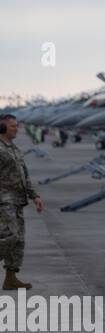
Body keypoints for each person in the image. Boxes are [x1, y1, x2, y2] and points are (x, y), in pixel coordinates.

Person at [0, 114, 44, 290]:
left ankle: (11, 278)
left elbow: (24, 175)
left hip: (18, 199)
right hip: (3, 199)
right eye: (12, 126)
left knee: (19, 241)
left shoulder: (15, 149)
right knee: (11, 235)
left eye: (16, 125)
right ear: (2, 128)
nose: (16, 129)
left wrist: (35, 196)